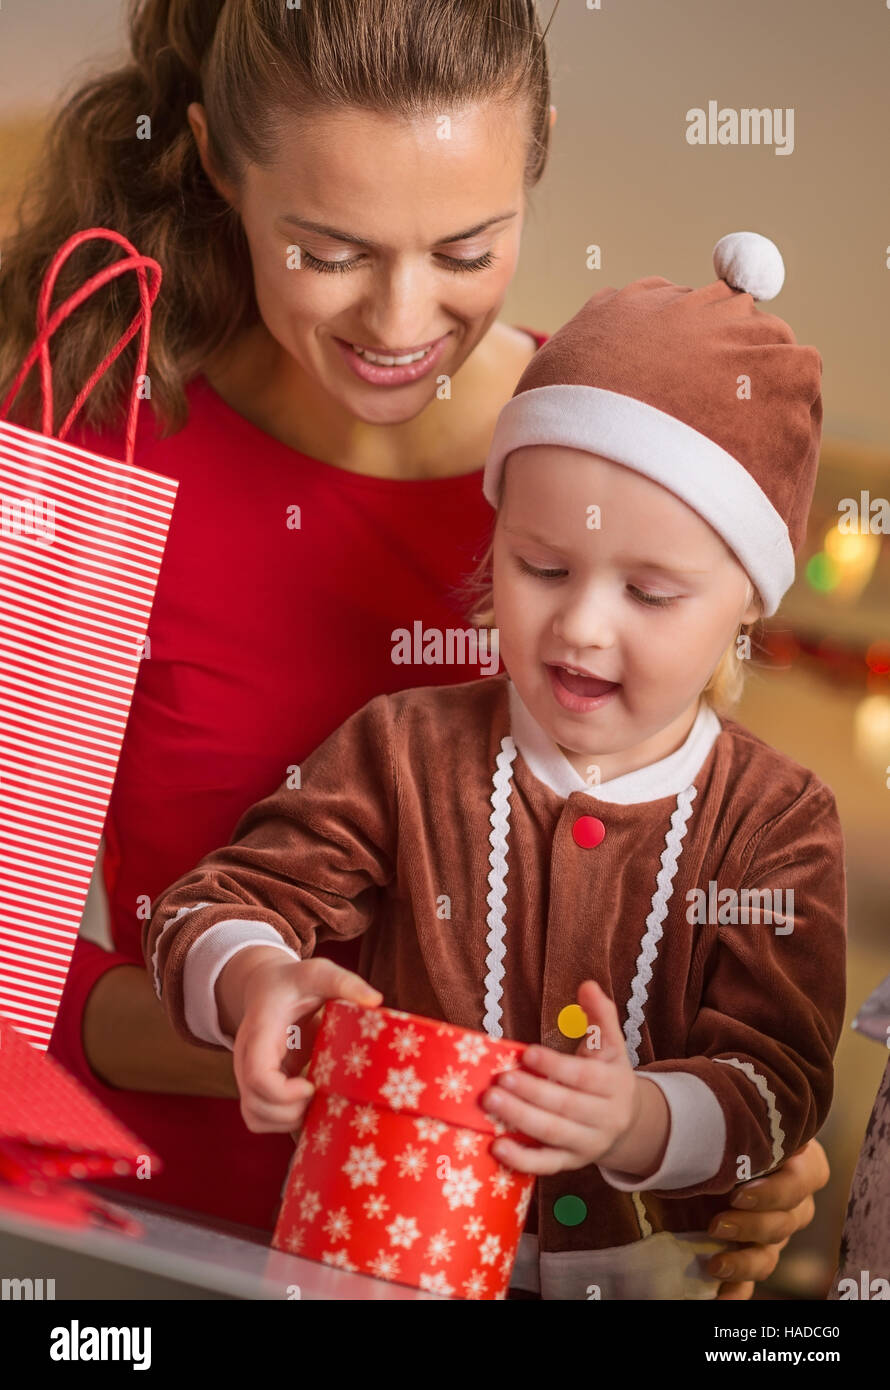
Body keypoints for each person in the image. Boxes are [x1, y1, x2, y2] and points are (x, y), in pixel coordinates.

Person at [0, 0, 827, 1293]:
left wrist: (709, 1129)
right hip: (182, 1251)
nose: (399, 319)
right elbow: (9, 969)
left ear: (536, 150)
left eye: (464, 246)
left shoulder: (631, 461)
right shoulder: (102, 444)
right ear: (220, 163)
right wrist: (290, 1029)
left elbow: (685, 888)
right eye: (327, 250)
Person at [145, 232, 847, 1299]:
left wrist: (640, 1116)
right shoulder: (407, 747)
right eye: (540, 564)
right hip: (373, 1260)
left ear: (745, 599)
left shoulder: (775, 821)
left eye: (650, 594)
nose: (579, 625)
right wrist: (255, 978)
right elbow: (217, 900)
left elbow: (778, 1080)